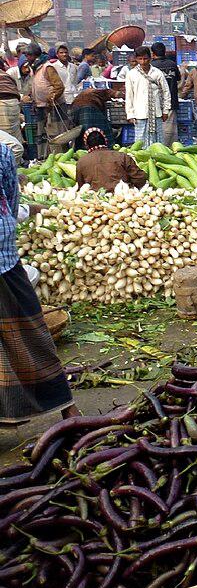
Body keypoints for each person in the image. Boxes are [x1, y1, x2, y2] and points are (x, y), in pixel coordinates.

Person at [0, 141, 80, 427]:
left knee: (26, 335)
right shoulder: (1, 151)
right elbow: (9, 203)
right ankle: (67, 408)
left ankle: (65, 408)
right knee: (30, 334)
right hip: (3, 260)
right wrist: (29, 210)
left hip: (3, 259)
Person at [125, 46, 171, 149]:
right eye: (140, 59)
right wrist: (130, 114)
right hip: (140, 114)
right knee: (140, 142)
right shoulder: (131, 74)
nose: (143, 61)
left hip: (156, 113)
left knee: (158, 141)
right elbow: (129, 96)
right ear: (136, 59)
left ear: (150, 58)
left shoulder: (157, 73)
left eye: (145, 58)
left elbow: (166, 92)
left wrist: (166, 110)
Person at [75, 127, 146, 192]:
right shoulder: (122, 156)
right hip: (123, 196)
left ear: (87, 145)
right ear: (105, 141)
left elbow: (81, 186)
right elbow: (139, 179)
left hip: (95, 200)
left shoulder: (81, 162)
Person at [31, 48, 69, 159]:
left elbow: (59, 86)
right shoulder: (35, 69)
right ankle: (43, 157)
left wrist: (51, 98)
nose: (28, 58)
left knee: (57, 135)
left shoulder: (47, 67)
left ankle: (59, 158)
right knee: (42, 134)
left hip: (54, 106)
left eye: (29, 56)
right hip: (41, 106)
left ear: (35, 56)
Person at [149, 42, 181, 147]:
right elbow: (178, 79)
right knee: (170, 130)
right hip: (171, 101)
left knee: (156, 129)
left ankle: (159, 148)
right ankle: (170, 150)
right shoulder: (172, 64)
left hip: (155, 102)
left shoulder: (151, 67)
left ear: (153, 53)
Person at [0, 72, 22, 149]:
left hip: (3, 103)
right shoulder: (5, 74)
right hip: (14, 103)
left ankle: (10, 159)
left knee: (6, 138)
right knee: (14, 135)